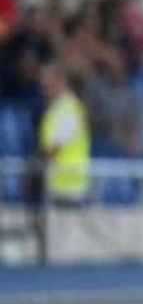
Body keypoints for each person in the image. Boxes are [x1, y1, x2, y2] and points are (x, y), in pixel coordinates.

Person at [34, 64, 89, 207]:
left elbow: (54, 148)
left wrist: (36, 166)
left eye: (48, 85)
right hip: (57, 185)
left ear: (60, 82)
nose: (44, 90)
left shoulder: (69, 110)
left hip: (68, 185)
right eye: (43, 86)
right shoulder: (55, 109)